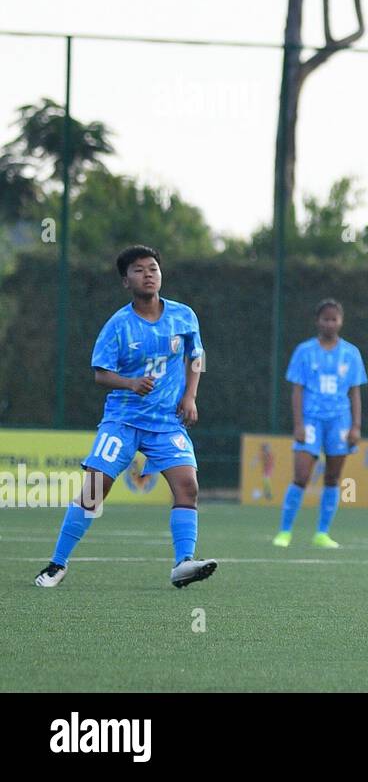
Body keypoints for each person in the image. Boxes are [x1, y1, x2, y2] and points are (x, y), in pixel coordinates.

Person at [34, 245, 216, 589]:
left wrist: (190, 396)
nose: (147, 274)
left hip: (166, 422)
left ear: (161, 275)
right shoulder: (118, 325)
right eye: (138, 270)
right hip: (123, 420)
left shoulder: (183, 316)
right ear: (125, 281)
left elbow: (196, 357)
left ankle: (183, 564)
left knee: (188, 487)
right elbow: (100, 374)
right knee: (94, 490)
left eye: (153, 268)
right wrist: (131, 383)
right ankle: (57, 564)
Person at [273, 299, 367, 548]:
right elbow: (297, 390)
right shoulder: (304, 351)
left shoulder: (351, 353)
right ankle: (284, 532)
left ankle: (322, 533)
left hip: (340, 421)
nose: (330, 323)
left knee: (333, 478)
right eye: (325, 318)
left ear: (341, 321)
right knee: (301, 476)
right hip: (311, 419)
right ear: (318, 321)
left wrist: (356, 426)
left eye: (334, 319)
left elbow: (355, 392)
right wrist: (299, 424)